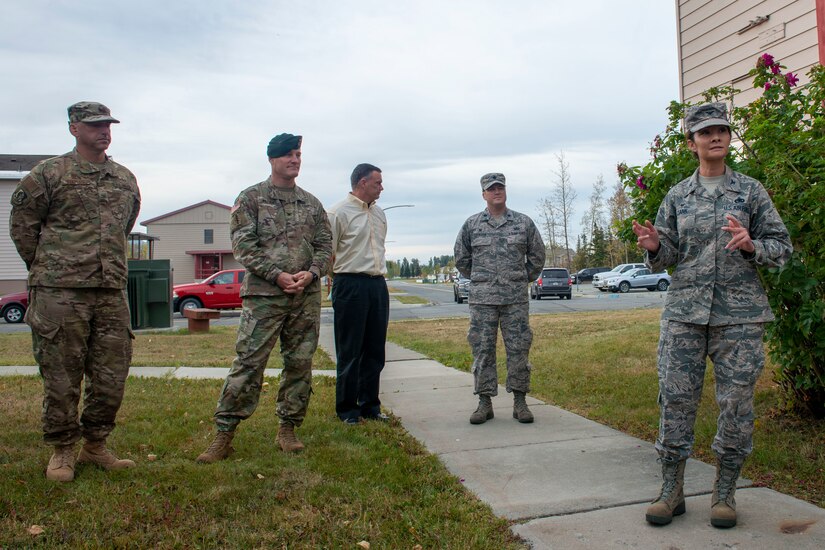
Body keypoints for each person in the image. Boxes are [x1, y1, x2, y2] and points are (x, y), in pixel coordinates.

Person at [633, 103, 791, 528]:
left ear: (729, 137)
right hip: (684, 314)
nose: (715, 136)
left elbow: (781, 247)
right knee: (675, 400)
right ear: (692, 143)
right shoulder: (677, 196)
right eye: (705, 132)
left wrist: (752, 245)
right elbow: (668, 252)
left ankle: (724, 492)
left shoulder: (751, 192)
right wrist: (654, 248)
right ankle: (671, 490)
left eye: (721, 129)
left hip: (739, 317)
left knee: (736, 403)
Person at [9, 101, 141, 482]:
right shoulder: (49, 174)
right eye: (95, 125)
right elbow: (22, 226)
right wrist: (50, 267)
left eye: (107, 125)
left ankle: (95, 445)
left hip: (110, 290)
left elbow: (125, 225)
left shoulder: (124, 179)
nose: (104, 131)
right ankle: (63, 449)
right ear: (74, 128)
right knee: (61, 375)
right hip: (60, 291)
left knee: (112, 374)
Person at [197, 133, 332, 461]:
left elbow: (325, 245)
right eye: (288, 155)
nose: (295, 160)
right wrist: (277, 275)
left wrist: (312, 273)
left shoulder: (312, 204)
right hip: (264, 297)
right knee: (249, 362)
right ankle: (224, 434)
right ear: (272, 160)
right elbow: (243, 246)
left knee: (299, 363)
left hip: (304, 297)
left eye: (298, 154)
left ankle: (288, 428)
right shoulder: (251, 199)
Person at [454, 173, 546, 425]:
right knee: (482, 350)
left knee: (519, 350)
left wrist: (519, 278)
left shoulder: (523, 223)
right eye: (491, 188)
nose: (497, 191)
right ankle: (484, 403)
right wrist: (483, 279)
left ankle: (520, 402)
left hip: (514, 300)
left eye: (500, 187)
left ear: (505, 191)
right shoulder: (472, 225)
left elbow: (537, 256)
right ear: (483, 194)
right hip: (482, 301)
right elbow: (462, 259)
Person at [327, 163, 390, 424]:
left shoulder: (379, 214)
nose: (382, 187)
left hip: (377, 284)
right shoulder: (337, 213)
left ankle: (370, 406)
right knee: (350, 349)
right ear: (362, 183)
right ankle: (347, 409)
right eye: (378, 183)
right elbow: (327, 254)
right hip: (350, 284)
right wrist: (341, 279)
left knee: (374, 350)